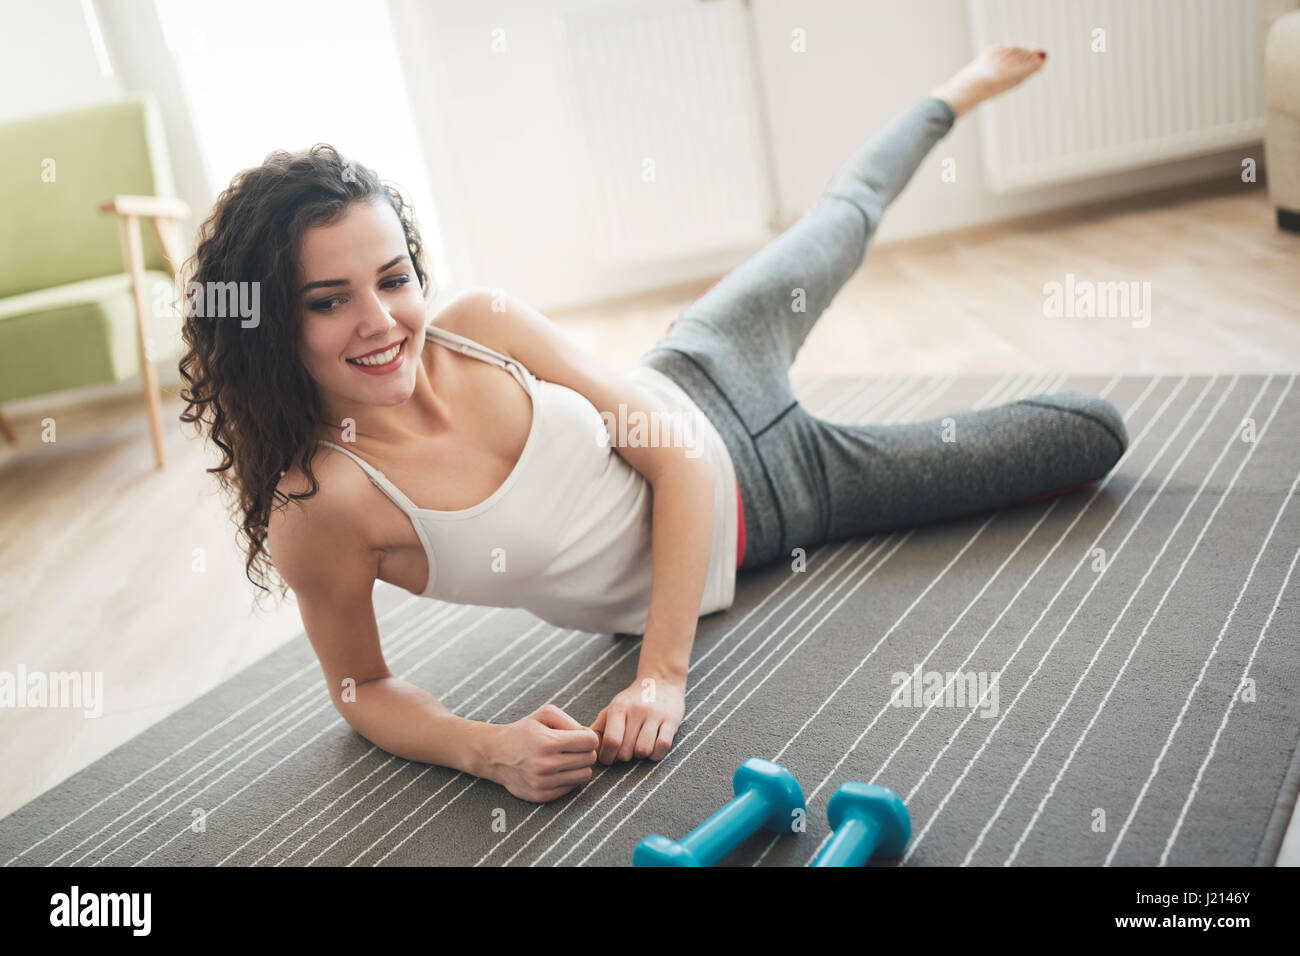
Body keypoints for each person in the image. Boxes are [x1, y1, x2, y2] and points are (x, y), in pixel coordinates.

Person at [179, 44, 1128, 804]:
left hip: (700, 367)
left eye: (394, 279)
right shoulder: (324, 505)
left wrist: (660, 675)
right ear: (268, 325)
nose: (382, 321)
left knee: (839, 218)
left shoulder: (480, 325)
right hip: (787, 500)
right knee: (1091, 434)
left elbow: (676, 461)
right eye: (328, 301)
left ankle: (952, 93)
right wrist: (487, 750)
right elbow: (360, 689)